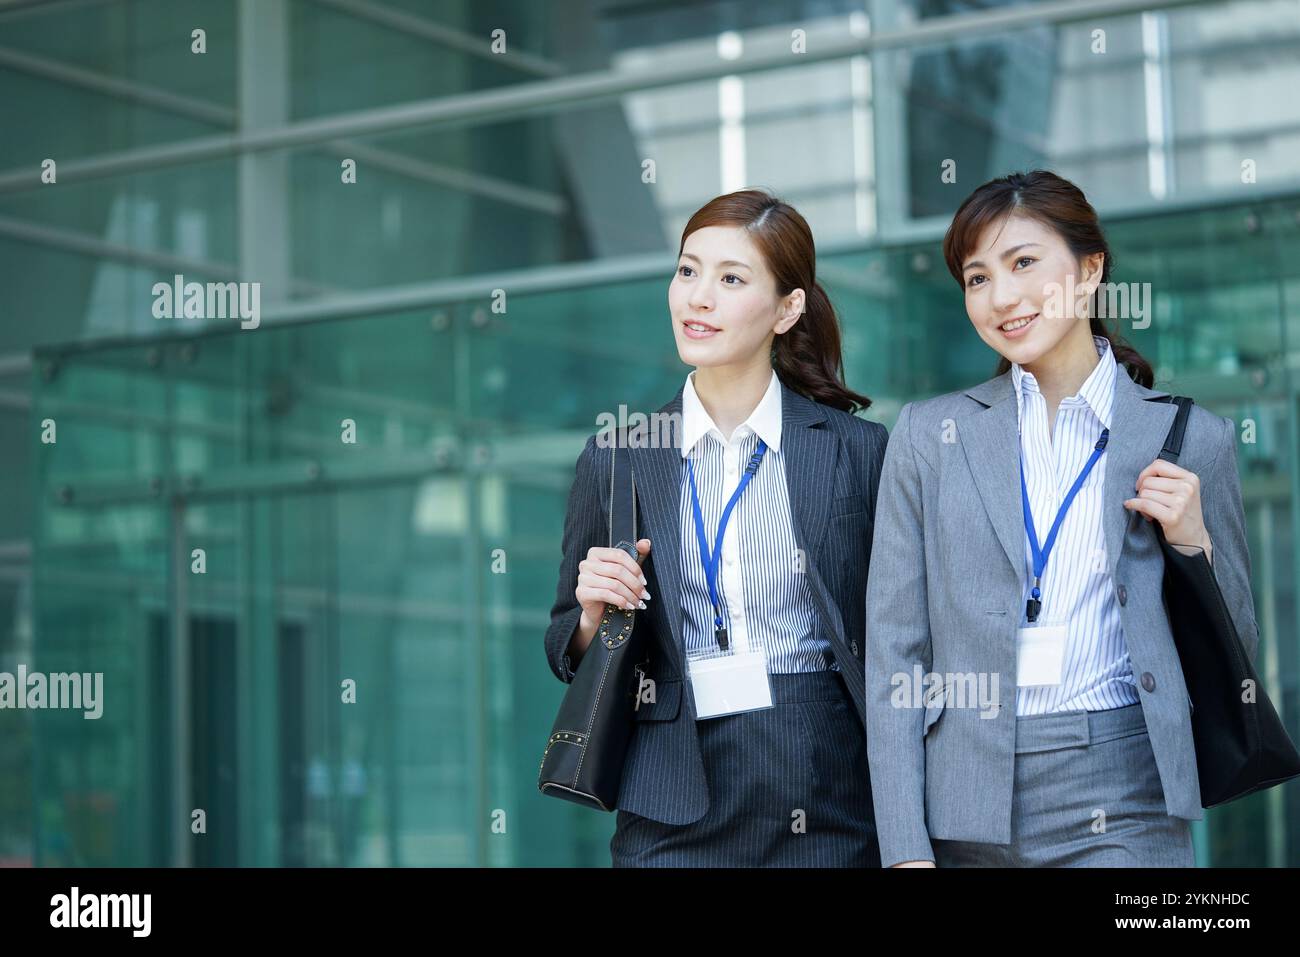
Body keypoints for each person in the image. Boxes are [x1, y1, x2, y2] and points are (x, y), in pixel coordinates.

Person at [866, 169, 1260, 868]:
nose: (1002, 296)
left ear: (1089, 269)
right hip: (963, 798)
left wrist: (1194, 543)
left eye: (1023, 263)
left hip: (1123, 790)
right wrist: (904, 848)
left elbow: (1238, 654)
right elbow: (896, 649)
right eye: (978, 277)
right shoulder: (930, 435)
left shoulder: (1189, 437)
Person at [543, 189, 887, 866]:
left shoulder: (856, 450)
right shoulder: (618, 458)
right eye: (688, 270)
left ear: (788, 308)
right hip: (673, 787)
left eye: (731, 279)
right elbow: (564, 645)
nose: (698, 297)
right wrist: (589, 614)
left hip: (823, 778)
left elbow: (900, 630)